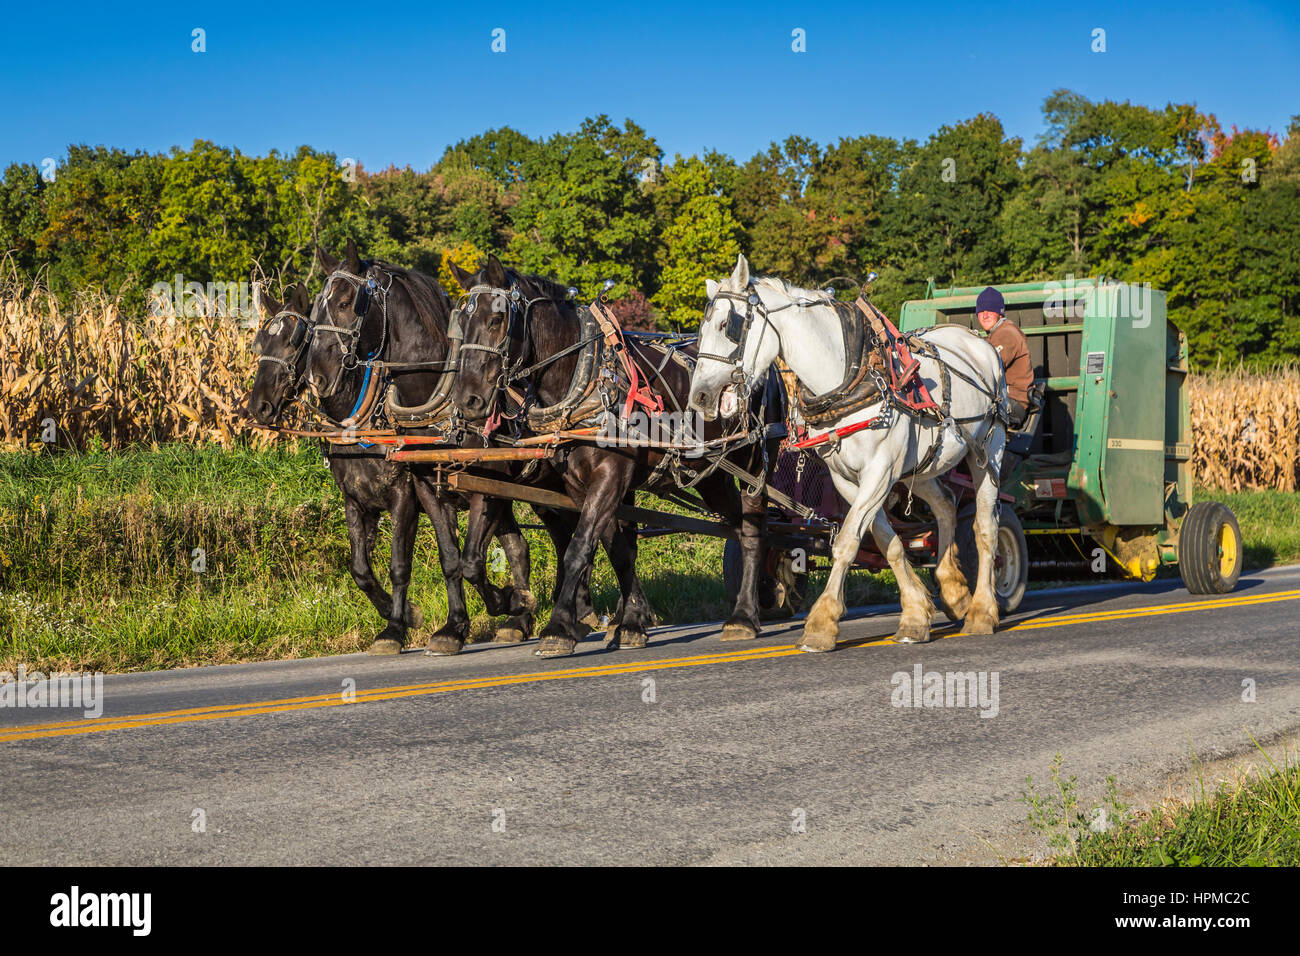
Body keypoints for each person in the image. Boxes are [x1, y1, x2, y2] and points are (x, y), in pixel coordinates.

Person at [975, 286, 1032, 428]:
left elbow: (987, 367)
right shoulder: (995, 334)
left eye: (990, 310)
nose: (985, 315)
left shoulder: (1007, 333)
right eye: (981, 311)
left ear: (1000, 313)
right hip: (1002, 399)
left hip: (1012, 403)